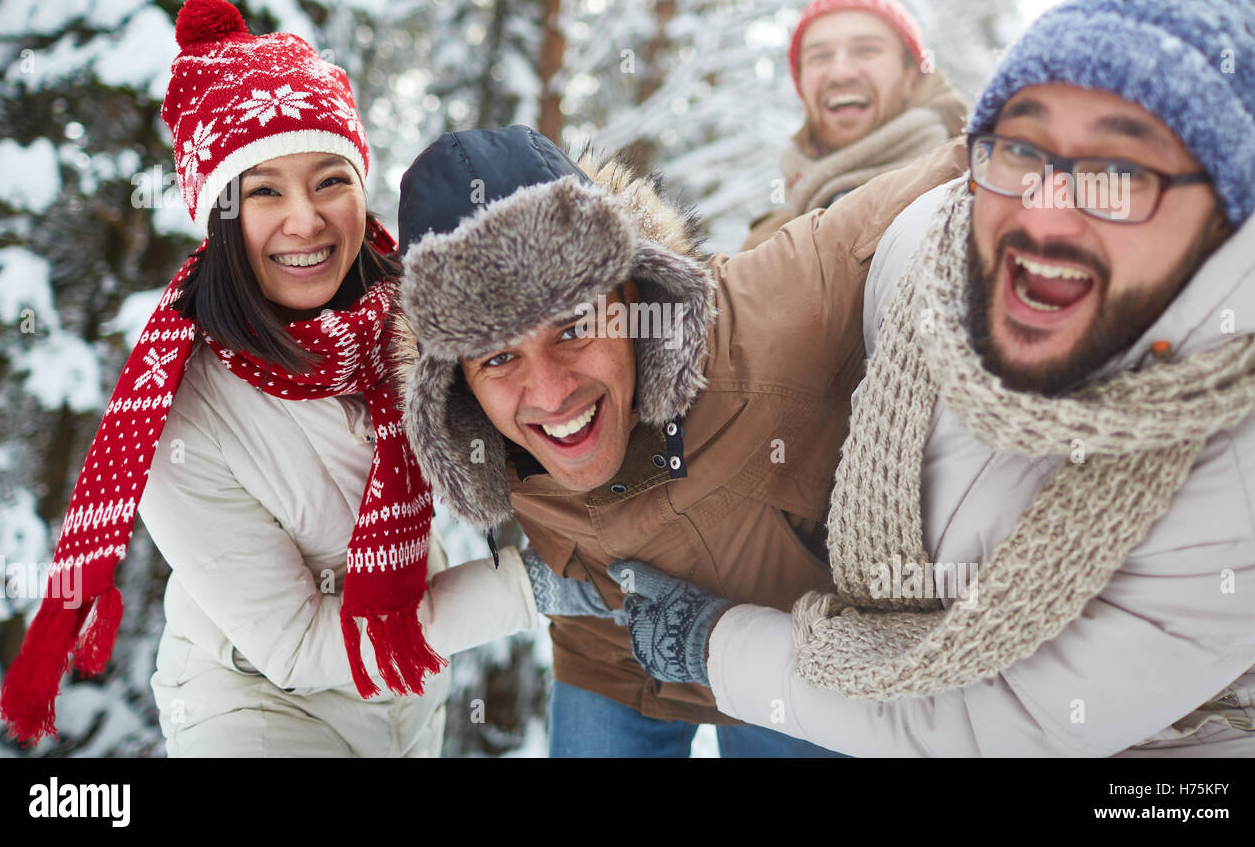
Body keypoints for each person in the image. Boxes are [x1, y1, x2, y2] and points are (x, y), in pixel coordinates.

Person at [612, 0, 1255, 756]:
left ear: (1228, 214)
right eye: (1022, 148)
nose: (1045, 214)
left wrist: (719, 646)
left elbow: (1009, 720)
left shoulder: (1253, 472)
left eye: (1117, 173)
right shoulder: (925, 249)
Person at [0, 0, 605, 756]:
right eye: (264, 191)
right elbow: (298, 644)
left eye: (328, 180)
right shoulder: (174, 418)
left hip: (407, 700)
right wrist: (535, 587)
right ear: (219, 214)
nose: (306, 221)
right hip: (259, 709)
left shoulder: (413, 322)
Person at [395, 124, 963, 756]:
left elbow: (985, 166)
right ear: (457, 387)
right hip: (611, 662)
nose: (551, 393)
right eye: (498, 359)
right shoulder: (473, 431)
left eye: (574, 327)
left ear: (632, 292)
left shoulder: (768, 319)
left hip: (786, 656)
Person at [741, 0, 965, 251]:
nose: (841, 73)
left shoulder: (970, 202)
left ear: (911, 76)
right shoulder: (763, 247)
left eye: (866, 50)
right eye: (819, 56)